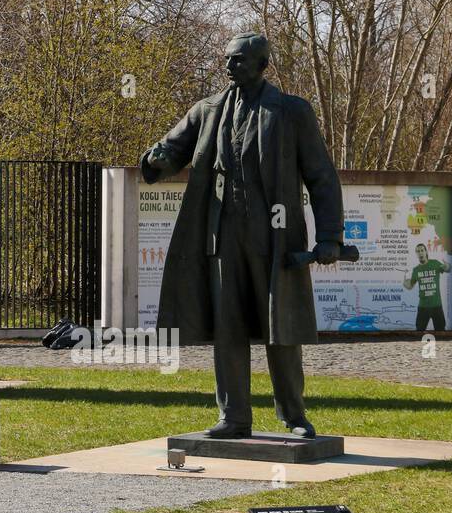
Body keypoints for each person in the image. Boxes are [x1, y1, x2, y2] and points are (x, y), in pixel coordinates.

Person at [140, 33, 344, 439]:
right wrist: (155, 158)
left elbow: (321, 176)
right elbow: (169, 151)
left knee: (280, 330)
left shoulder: (290, 112)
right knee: (228, 328)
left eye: (238, 61)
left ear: (262, 64)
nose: (229, 67)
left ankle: (294, 416)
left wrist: (330, 237)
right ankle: (233, 417)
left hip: (276, 240)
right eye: (227, 60)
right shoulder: (207, 110)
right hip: (222, 239)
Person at [404, 243, 449, 331]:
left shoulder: (435, 263)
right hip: (423, 306)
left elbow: (447, 269)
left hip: (436, 305)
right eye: (418, 251)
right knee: (419, 331)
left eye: (422, 250)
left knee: (441, 332)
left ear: (426, 252)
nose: (420, 253)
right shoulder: (416, 270)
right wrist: (405, 282)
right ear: (416, 254)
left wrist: (447, 266)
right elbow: (410, 286)